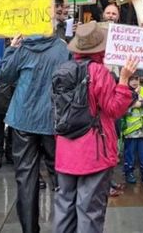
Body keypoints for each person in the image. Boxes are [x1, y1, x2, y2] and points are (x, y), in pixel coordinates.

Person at [53, 22, 135, 233]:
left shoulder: (62, 70)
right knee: (90, 210)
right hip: (94, 151)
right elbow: (114, 109)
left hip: (65, 152)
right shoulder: (99, 72)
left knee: (64, 207)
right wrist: (124, 80)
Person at [0, 31, 69, 233]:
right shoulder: (62, 48)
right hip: (52, 119)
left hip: (23, 119)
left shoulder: (23, 48)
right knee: (62, 176)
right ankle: (65, 226)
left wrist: (11, 48)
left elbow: (4, 75)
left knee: (26, 179)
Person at [122, 75, 143, 185]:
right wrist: (133, 105)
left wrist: (142, 101)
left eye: (136, 79)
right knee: (130, 153)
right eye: (132, 79)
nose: (134, 82)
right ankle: (129, 172)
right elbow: (120, 110)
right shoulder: (124, 92)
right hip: (131, 130)